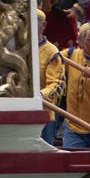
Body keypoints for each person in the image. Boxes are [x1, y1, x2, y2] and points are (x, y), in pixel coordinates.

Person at [62, 21, 90, 149]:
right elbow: (53, 58)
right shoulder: (70, 55)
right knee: (71, 164)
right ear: (80, 41)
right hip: (74, 126)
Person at [37, 8, 65, 145]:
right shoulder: (18, 47)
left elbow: (57, 85)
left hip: (44, 112)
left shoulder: (51, 52)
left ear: (43, 26)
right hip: (19, 110)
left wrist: (39, 95)